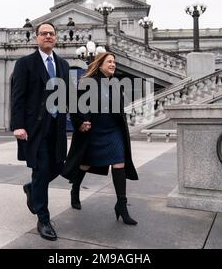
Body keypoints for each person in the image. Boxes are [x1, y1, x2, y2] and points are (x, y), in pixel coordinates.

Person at [62, 52, 139, 226]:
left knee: (119, 163)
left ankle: (121, 205)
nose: (113, 64)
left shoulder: (116, 83)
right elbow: (74, 104)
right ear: (100, 64)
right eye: (109, 61)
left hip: (113, 130)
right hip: (94, 131)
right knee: (85, 164)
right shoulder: (88, 82)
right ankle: (75, 190)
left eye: (114, 62)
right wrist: (81, 122)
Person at [10, 22, 70, 241]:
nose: (48, 36)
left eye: (51, 34)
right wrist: (17, 125)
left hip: (57, 127)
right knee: (42, 168)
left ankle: (32, 188)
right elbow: (18, 97)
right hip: (35, 128)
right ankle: (43, 219)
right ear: (36, 38)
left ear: (56, 38)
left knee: (58, 166)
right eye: (43, 33)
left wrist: (82, 120)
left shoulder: (63, 65)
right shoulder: (25, 64)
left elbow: (68, 96)